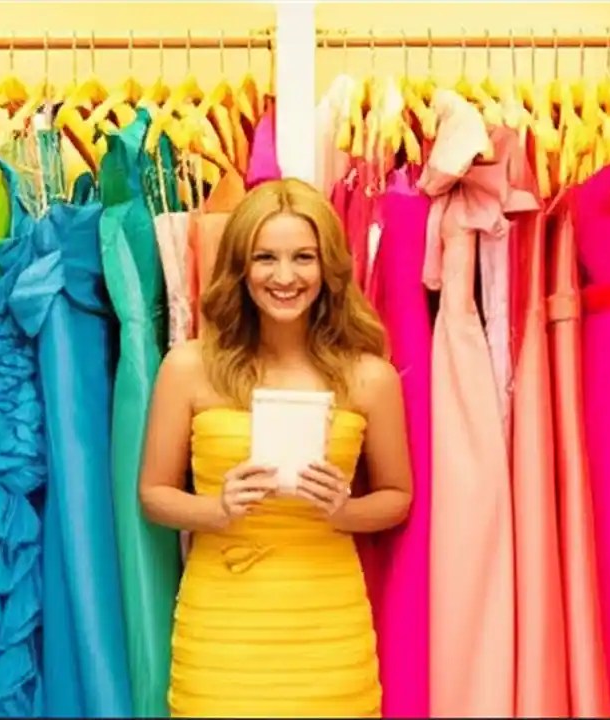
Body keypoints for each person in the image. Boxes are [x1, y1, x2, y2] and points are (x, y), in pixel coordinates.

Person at [139, 178, 413, 717]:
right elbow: (153, 493)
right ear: (241, 268)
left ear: (328, 268)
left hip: (326, 617)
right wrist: (214, 510)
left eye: (303, 257)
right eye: (266, 257)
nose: (284, 276)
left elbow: (398, 495)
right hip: (222, 618)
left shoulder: (371, 379)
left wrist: (345, 510)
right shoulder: (189, 367)